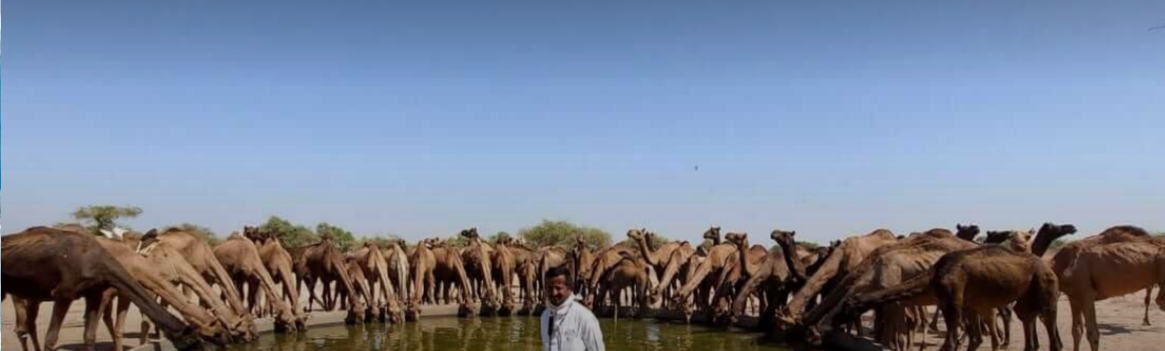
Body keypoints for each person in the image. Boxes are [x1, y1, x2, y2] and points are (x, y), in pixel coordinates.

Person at [541, 266, 605, 351]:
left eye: (558, 288)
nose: (554, 293)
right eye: (549, 288)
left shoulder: (585, 317)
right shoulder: (545, 316)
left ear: (570, 288)